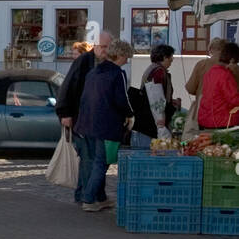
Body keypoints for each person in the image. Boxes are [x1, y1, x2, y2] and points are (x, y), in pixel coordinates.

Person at [74, 38, 134, 211]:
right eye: (126, 57)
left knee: (93, 162)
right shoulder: (117, 73)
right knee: (101, 163)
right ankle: (89, 199)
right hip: (106, 125)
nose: (127, 61)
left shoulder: (93, 72)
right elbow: (121, 99)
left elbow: (85, 97)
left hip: (87, 123)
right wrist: (130, 115)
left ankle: (100, 198)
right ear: (120, 55)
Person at [55, 29, 111, 203]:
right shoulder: (84, 61)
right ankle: (89, 197)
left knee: (94, 160)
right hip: (81, 119)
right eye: (103, 46)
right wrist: (65, 113)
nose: (106, 50)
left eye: (108, 47)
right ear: (95, 45)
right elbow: (68, 87)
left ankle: (91, 195)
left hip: (93, 120)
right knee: (89, 160)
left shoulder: (103, 63)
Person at [129, 43, 180, 149]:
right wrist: (160, 121)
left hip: (146, 118)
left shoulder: (152, 68)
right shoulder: (159, 72)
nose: (172, 60)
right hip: (151, 121)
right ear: (165, 57)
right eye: (170, 57)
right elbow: (156, 97)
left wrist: (171, 101)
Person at [184, 38, 225, 140]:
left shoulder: (202, 64)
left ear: (210, 49)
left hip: (203, 111)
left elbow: (190, 88)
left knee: (202, 142)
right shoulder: (231, 66)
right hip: (224, 114)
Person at [198, 41, 239, 130]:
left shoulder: (210, 72)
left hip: (205, 119)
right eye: (236, 63)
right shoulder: (226, 75)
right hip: (222, 121)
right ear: (231, 60)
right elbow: (234, 100)